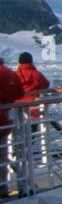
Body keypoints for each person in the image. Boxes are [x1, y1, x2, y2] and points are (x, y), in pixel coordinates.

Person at [0, 60, 24, 196]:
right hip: (3, 121)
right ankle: (2, 189)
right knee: (2, 157)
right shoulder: (8, 73)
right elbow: (19, 93)